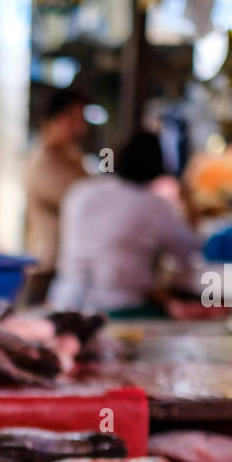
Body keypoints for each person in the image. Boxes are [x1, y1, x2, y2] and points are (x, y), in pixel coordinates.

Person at [48, 131, 199, 313]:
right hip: (120, 307)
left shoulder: (80, 191)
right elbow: (187, 250)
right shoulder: (154, 205)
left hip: (63, 301)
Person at [23, 88, 89, 303]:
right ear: (53, 121)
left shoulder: (71, 158)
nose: (80, 127)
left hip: (68, 269)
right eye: (73, 119)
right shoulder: (43, 163)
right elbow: (85, 204)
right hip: (48, 270)